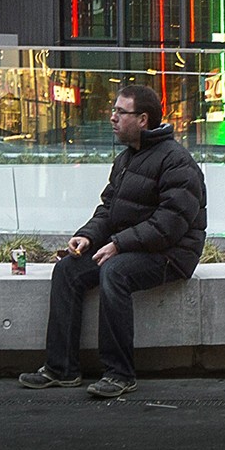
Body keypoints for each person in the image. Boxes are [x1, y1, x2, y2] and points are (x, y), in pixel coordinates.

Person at [20, 81, 207, 399]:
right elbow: (109, 210)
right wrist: (87, 237)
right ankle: (61, 368)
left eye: (121, 112)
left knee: (115, 271)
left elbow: (170, 224)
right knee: (68, 270)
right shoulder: (126, 160)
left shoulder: (177, 161)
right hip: (135, 246)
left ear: (143, 119)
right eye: (113, 111)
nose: (112, 117)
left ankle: (120, 373)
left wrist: (119, 244)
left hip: (173, 253)